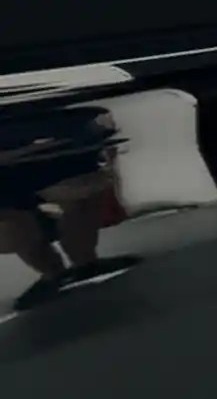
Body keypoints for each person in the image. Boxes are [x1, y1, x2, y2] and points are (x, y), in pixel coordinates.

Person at [0, 107, 139, 311]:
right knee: (11, 224)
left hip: (52, 130)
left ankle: (78, 266)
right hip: (48, 130)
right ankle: (62, 271)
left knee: (80, 194)